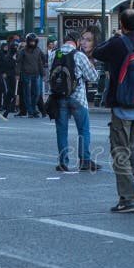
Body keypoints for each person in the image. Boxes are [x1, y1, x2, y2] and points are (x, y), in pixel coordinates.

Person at [92, 8, 134, 213]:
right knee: (132, 146)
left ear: (121, 24)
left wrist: (116, 36)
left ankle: (127, 199)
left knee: (120, 151)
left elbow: (97, 52)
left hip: (121, 105)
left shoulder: (118, 43)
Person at [50, 34, 100, 172]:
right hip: (78, 98)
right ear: (77, 42)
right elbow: (93, 77)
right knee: (83, 130)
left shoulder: (54, 54)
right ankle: (84, 160)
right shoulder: (79, 55)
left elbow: (50, 73)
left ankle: (63, 162)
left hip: (59, 97)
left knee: (61, 131)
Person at [15, 32, 45, 118]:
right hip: (26, 74)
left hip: (36, 74)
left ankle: (33, 108)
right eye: (31, 41)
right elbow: (19, 63)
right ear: (28, 41)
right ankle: (31, 111)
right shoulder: (22, 51)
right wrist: (17, 73)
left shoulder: (38, 50)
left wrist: (42, 73)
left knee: (36, 93)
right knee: (27, 94)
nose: (33, 43)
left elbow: (40, 62)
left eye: (34, 41)